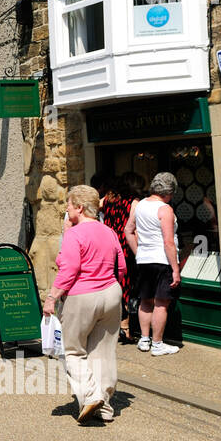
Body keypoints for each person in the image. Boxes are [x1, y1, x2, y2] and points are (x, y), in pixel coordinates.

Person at [43, 185, 126, 423]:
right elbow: (121, 268)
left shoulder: (74, 234)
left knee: (73, 350)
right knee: (103, 353)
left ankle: (91, 396)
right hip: (111, 293)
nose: (66, 209)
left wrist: (52, 298)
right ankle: (105, 407)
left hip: (82, 296)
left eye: (68, 205)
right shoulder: (108, 231)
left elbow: (69, 268)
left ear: (79, 208)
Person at [125, 171, 181, 356]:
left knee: (145, 301)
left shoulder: (140, 205)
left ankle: (144, 339)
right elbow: (168, 242)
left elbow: (128, 230)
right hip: (162, 260)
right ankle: (157, 344)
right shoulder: (165, 209)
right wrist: (175, 269)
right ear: (169, 192)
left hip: (144, 261)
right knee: (161, 303)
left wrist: (139, 252)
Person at [100, 172, 137, 343]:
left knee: (113, 287)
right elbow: (134, 228)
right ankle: (125, 328)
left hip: (109, 247)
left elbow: (95, 205)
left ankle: (113, 327)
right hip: (126, 249)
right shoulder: (133, 203)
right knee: (126, 289)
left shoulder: (107, 201)